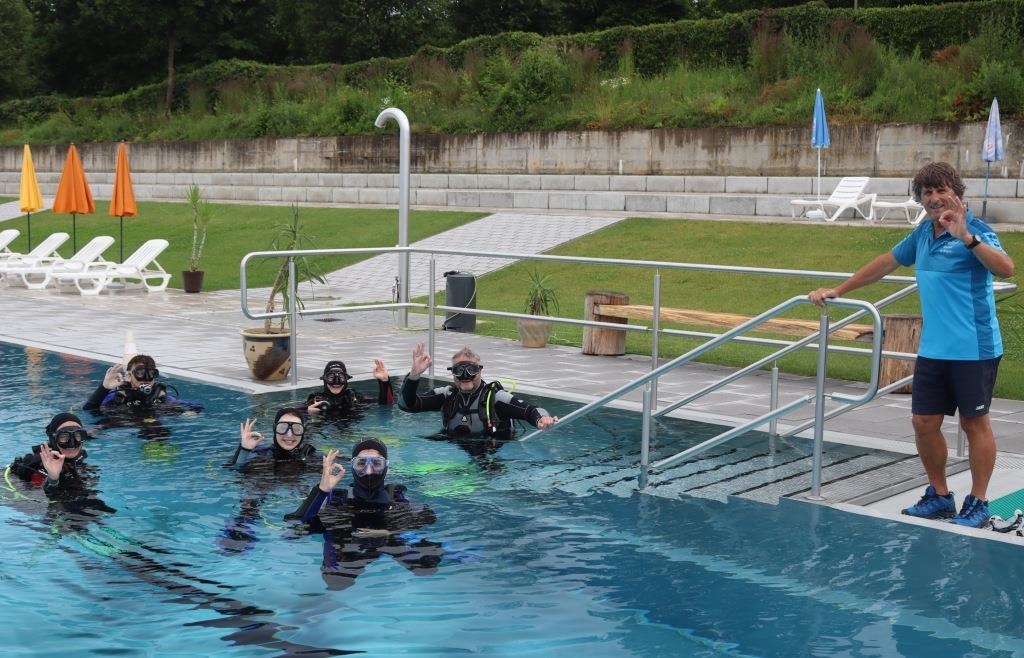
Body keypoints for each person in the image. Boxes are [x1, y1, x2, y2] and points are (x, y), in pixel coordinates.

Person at [808, 161, 1015, 528]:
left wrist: (967, 236)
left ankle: (979, 501)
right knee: (923, 421)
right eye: (927, 192)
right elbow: (885, 263)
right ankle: (939, 496)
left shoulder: (977, 231)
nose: (934, 198)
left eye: (941, 190)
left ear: (956, 192)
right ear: (920, 198)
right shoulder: (922, 235)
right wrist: (838, 290)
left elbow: (1005, 268)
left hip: (974, 347)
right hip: (934, 348)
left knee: (974, 423)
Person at [286, 438, 441, 590]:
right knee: (336, 580)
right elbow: (298, 524)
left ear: (386, 467)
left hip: (388, 540)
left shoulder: (396, 497)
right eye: (361, 463)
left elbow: (429, 517)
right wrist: (321, 490)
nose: (368, 471)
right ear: (353, 467)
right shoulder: (337, 499)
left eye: (376, 463)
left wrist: (388, 534)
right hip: (348, 545)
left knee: (426, 566)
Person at [400, 343, 559, 442]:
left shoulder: (495, 398)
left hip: (490, 453)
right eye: (459, 371)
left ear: (480, 371)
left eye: (471, 370)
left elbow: (529, 410)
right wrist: (414, 375)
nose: (465, 376)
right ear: (453, 373)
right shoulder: (447, 395)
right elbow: (407, 405)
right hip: (451, 445)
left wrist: (542, 418)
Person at [219, 407, 319, 553]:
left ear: (303, 432)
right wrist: (244, 449)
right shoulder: (260, 454)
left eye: (296, 429)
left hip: (296, 509)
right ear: (274, 429)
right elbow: (233, 470)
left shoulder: (311, 459)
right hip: (253, 506)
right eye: (283, 427)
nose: (289, 434)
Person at [84, 354, 203, 413]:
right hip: (120, 426)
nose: (146, 378)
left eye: (150, 374)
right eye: (140, 373)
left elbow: (197, 407)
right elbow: (89, 410)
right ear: (129, 377)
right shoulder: (118, 395)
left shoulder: (159, 396)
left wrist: (188, 412)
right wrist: (104, 388)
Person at [9, 412, 93, 496]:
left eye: (78, 435)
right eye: (63, 437)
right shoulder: (39, 466)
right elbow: (44, 503)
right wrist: (53, 479)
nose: (72, 444)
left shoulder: (78, 460)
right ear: (53, 439)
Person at [305, 359, 394, 419]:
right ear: (324, 379)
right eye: (331, 377)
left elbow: (386, 404)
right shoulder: (315, 401)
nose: (336, 382)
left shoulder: (355, 397)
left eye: (341, 377)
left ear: (347, 379)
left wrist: (384, 382)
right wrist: (307, 413)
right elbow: (293, 413)